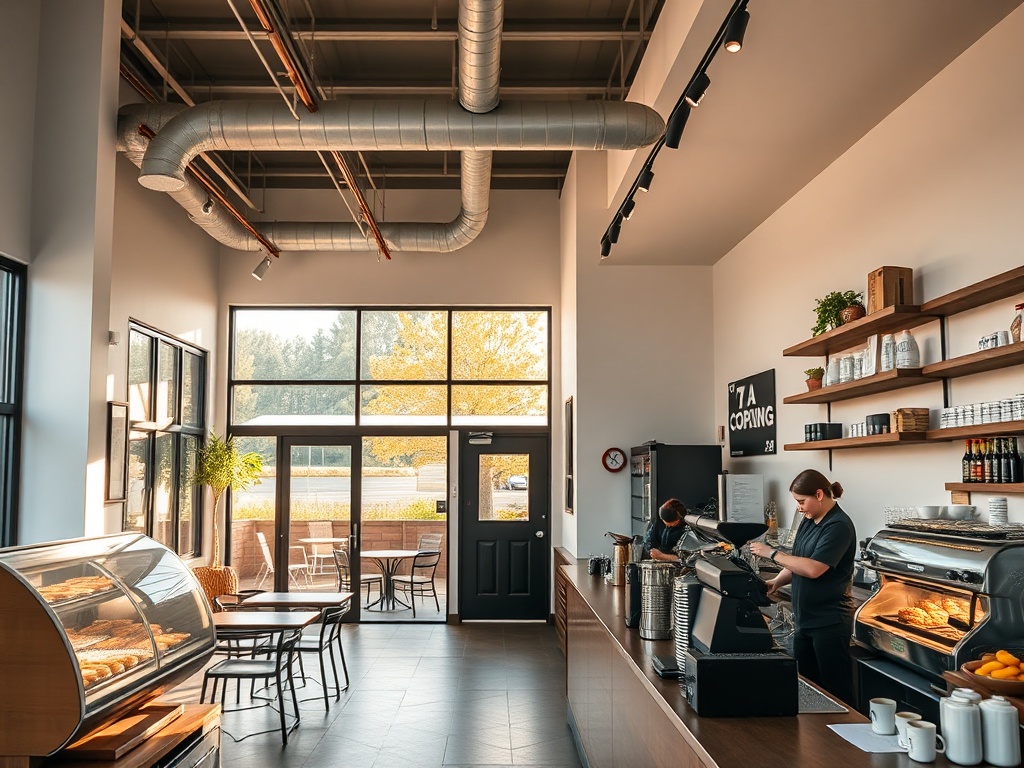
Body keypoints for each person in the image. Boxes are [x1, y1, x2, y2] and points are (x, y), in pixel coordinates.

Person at [749, 469, 857, 704]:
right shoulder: (809, 521)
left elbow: (813, 568)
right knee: (808, 688)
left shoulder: (838, 526)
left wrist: (772, 553)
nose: (799, 507)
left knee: (836, 692)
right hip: (805, 619)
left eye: (801, 501)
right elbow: (798, 560)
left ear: (819, 494)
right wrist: (777, 581)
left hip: (829, 622)